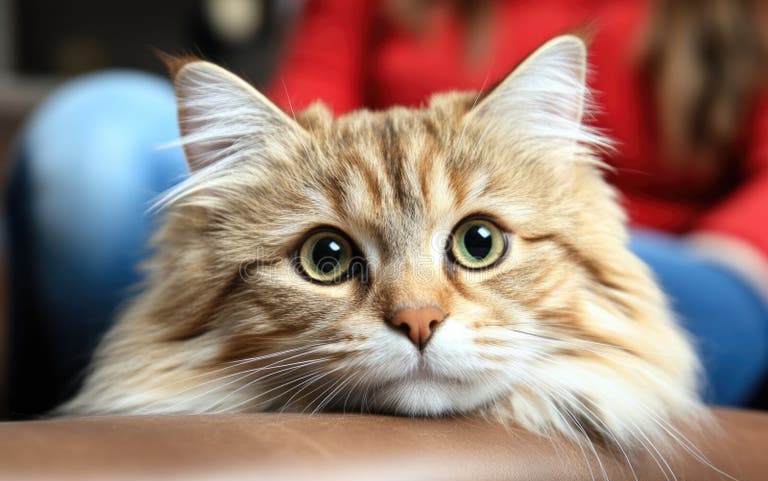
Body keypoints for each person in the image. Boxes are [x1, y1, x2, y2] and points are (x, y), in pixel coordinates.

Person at [6, 0, 768, 416]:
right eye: (327, 261)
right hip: (375, 180)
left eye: (473, 243)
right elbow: (311, 108)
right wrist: (303, 198)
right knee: (97, 130)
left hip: (683, 259)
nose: (415, 313)